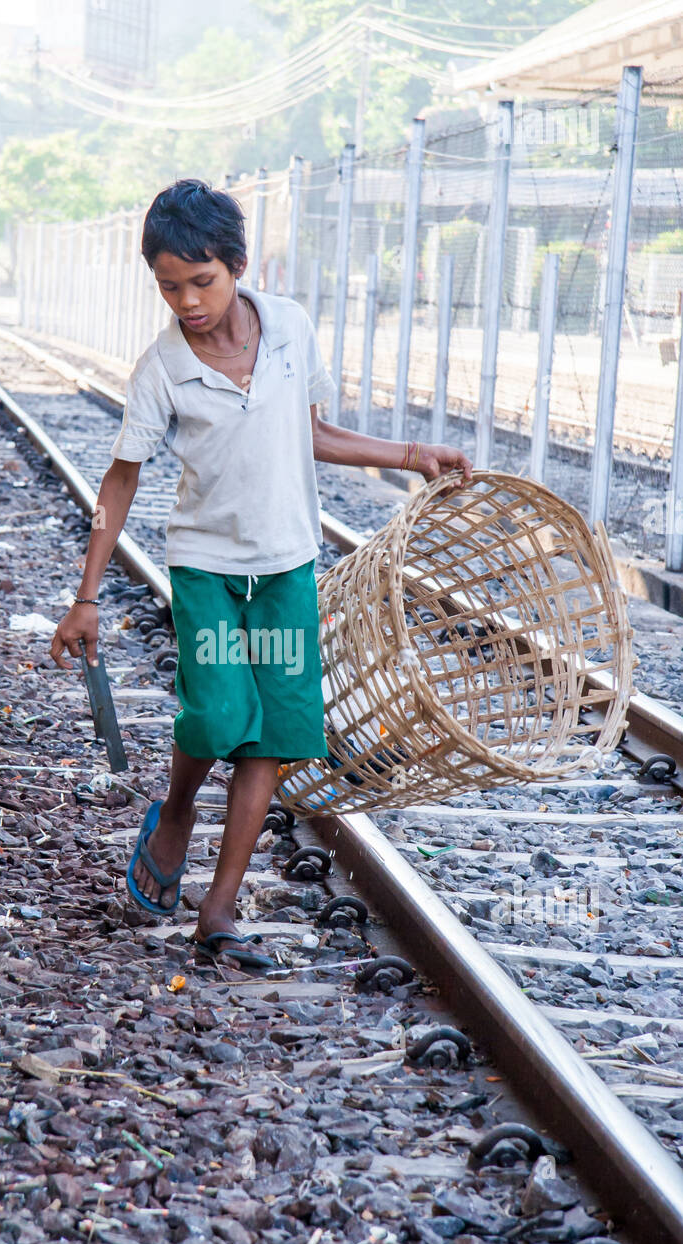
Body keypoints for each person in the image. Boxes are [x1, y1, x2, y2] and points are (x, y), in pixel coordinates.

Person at [51, 177, 472, 968]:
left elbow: (315, 434)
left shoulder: (289, 329)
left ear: (239, 265)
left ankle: (218, 909)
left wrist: (412, 455)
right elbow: (121, 479)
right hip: (207, 570)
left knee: (269, 740)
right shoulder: (162, 369)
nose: (187, 302)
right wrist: (86, 597)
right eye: (169, 287)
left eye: (201, 282)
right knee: (216, 717)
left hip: (285, 569)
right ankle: (175, 811)